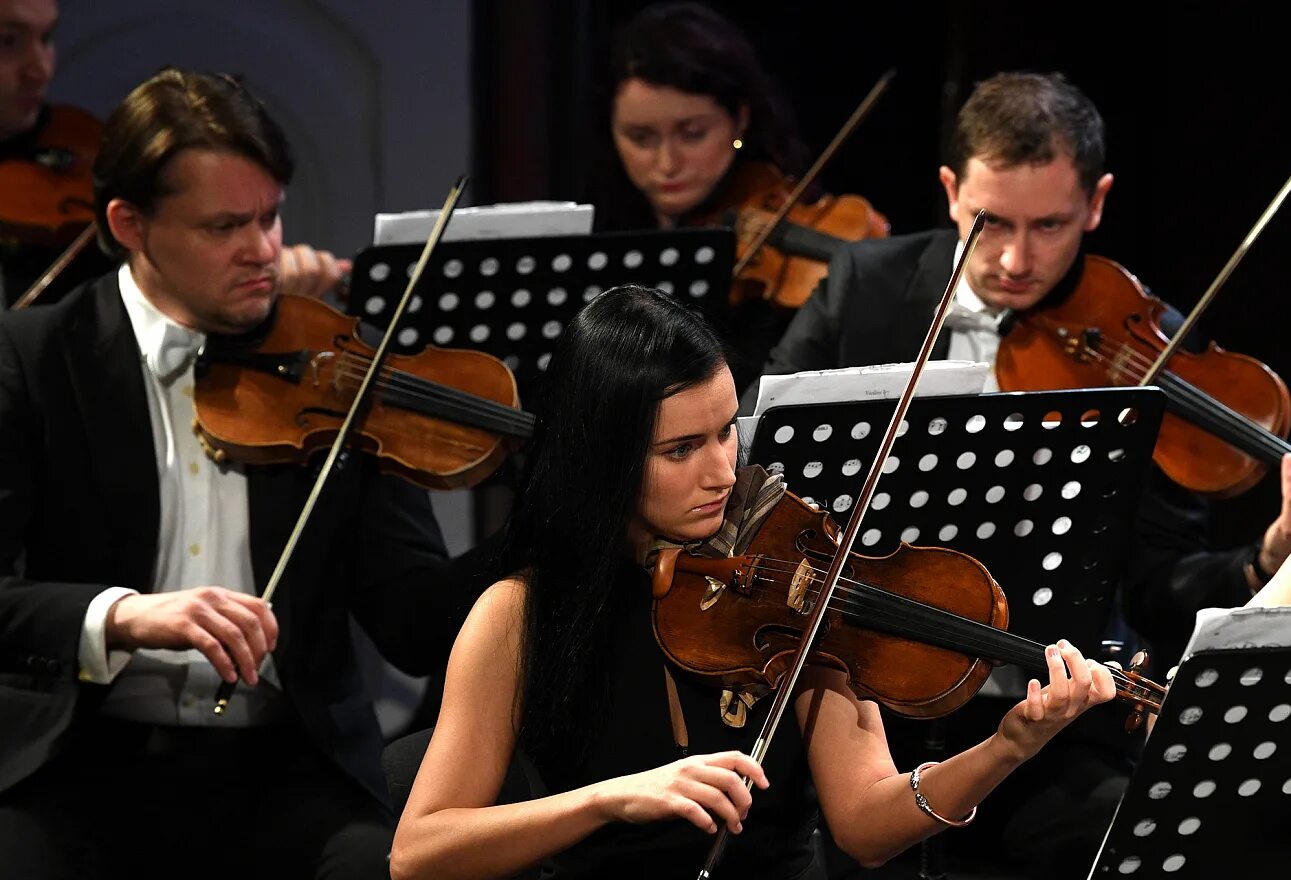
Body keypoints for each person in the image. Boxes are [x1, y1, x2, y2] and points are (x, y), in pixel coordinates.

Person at [742, 70, 1291, 876]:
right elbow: (760, 465)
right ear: (947, 190)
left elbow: (1156, 582)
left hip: (1052, 718)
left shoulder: (1144, 346)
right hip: (861, 698)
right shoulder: (866, 288)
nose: (1013, 258)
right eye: (989, 221)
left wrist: (1263, 557)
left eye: (1050, 226)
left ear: (1097, 203)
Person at [387, 284, 1116, 880]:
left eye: (726, 430)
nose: (723, 472)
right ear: (603, 459)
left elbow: (867, 824)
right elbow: (419, 852)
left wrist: (1008, 747)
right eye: (681, 449)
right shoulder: (518, 613)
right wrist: (609, 800)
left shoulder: (790, 588)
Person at [0, 67, 482, 879]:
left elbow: (411, 624)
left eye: (270, 217)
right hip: (79, 763)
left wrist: (543, 524)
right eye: (226, 226)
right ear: (131, 224)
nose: (264, 251)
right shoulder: (33, 360)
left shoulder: (338, 368)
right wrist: (124, 617)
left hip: (287, 768)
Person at [588, 2, 887, 393]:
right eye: (640, 138)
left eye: (692, 133)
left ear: (740, 118)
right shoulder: (600, 228)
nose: (666, 163)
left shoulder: (785, 210)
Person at [0, 0, 349, 308]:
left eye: (46, 38)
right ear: (126, 224)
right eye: (8, 42)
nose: (40, 70)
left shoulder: (76, 135)